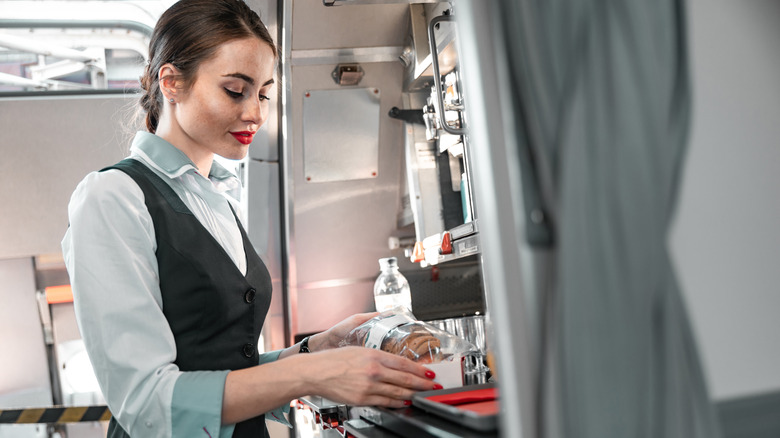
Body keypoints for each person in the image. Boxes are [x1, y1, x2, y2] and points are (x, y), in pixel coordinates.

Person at [61, 1, 440, 437]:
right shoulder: (112, 198)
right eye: (235, 90)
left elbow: (223, 367)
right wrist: (312, 375)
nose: (256, 113)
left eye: (263, 93)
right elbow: (147, 402)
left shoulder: (217, 198)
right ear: (171, 82)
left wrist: (314, 351)